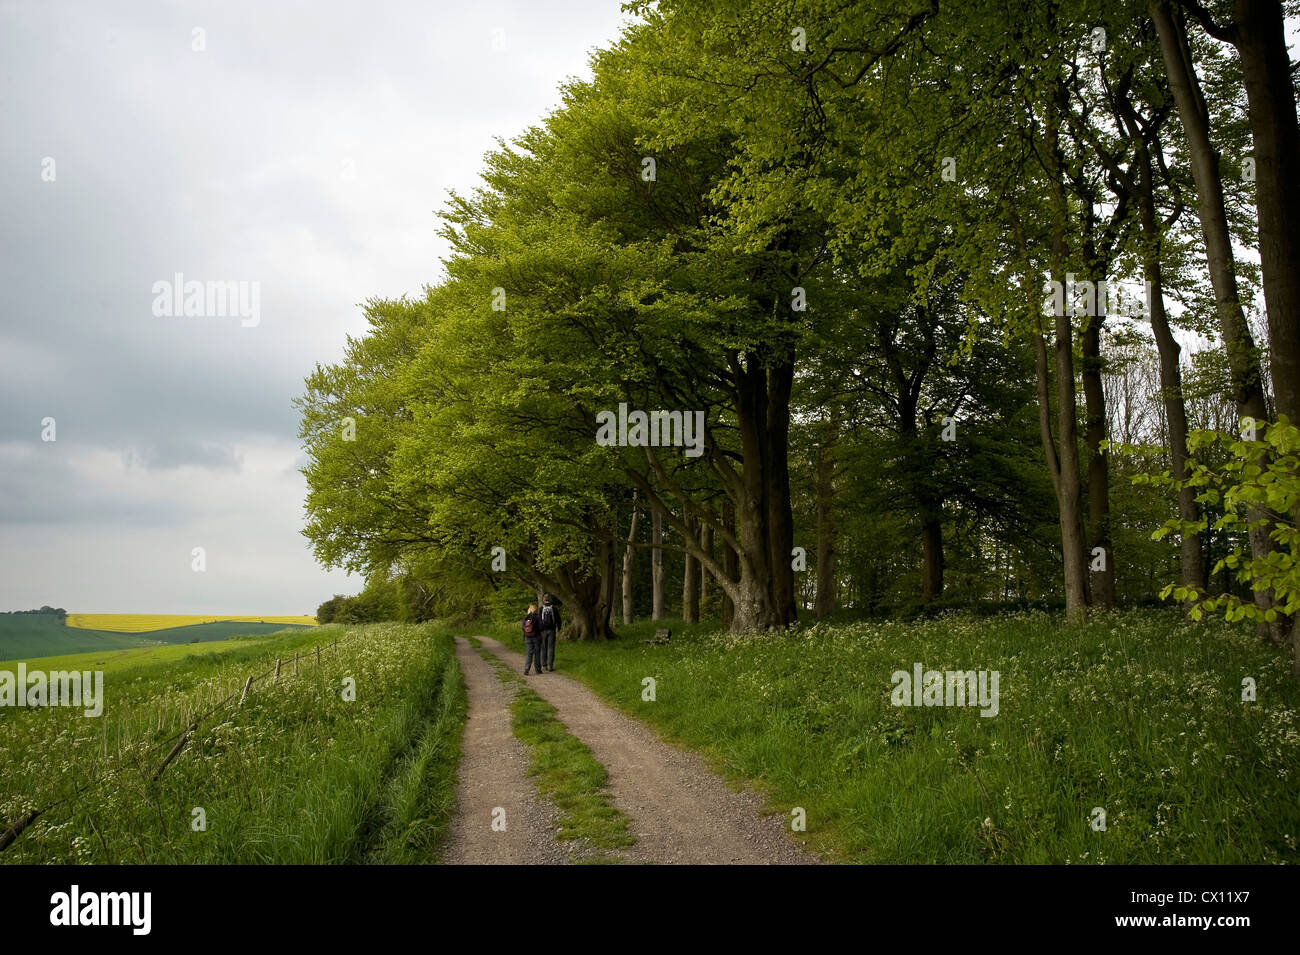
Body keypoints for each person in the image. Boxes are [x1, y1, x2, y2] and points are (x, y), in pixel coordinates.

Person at [538, 594, 561, 672]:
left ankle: (543, 666)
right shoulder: (554, 608)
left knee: (543, 648)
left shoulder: (541, 608)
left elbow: (539, 620)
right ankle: (550, 665)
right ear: (550, 600)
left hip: (542, 631)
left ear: (543, 600)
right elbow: (558, 619)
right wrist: (559, 629)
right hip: (552, 630)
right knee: (551, 648)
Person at [522, 603, 544, 675]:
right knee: (537, 654)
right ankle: (538, 670)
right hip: (536, 638)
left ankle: (527, 668)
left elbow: (523, 628)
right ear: (536, 609)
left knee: (529, 654)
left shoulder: (526, 617)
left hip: (527, 638)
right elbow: (541, 627)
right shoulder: (538, 617)